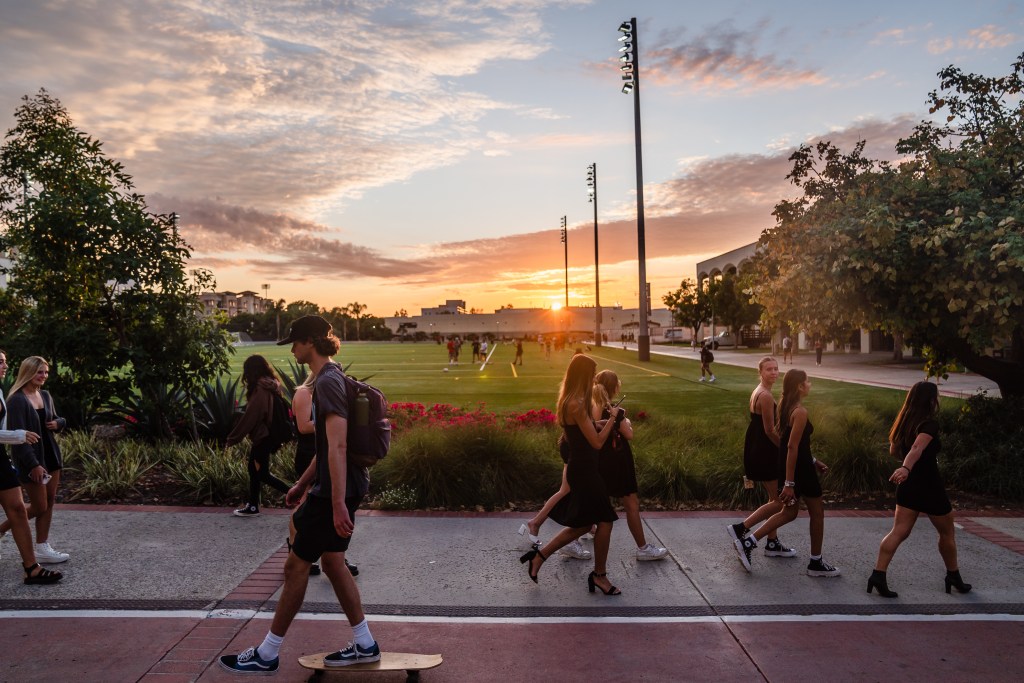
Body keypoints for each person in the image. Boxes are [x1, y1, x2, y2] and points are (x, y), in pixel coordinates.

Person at [221, 315, 380, 674]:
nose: (292, 350)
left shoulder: (326, 382)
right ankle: (366, 644)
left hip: (335, 491)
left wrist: (336, 501)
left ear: (310, 341)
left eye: (294, 342)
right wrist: (302, 483)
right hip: (339, 485)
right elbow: (325, 448)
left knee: (295, 566)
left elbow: (337, 446)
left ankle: (267, 653)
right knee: (333, 563)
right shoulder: (329, 376)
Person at [519, 354, 623, 596]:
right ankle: (599, 576)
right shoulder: (576, 403)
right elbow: (596, 443)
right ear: (583, 376)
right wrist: (613, 420)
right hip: (584, 470)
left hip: (583, 468)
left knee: (584, 524)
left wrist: (601, 422)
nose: (594, 380)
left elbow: (583, 431)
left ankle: (539, 557)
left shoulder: (571, 400)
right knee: (606, 520)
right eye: (592, 375)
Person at [730, 369, 839, 577]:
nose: (810, 384)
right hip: (800, 472)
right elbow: (791, 447)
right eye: (808, 381)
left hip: (795, 467)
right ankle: (816, 563)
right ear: (799, 386)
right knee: (817, 513)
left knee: (789, 512)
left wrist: (814, 460)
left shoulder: (784, 405)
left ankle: (748, 542)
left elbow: (794, 444)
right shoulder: (800, 412)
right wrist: (789, 483)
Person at [868, 382, 971, 598]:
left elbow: (894, 450)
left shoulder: (903, 422)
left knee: (899, 531)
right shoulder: (929, 424)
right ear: (931, 400)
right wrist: (907, 467)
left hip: (909, 486)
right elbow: (917, 448)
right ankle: (953, 576)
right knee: (946, 532)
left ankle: (878, 574)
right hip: (929, 485)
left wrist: (906, 467)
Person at [1, 356, 69, 564]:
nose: (43, 376)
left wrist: (59, 423)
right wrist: (33, 465)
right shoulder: (17, 400)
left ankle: (42, 546)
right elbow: (18, 438)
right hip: (32, 459)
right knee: (39, 505)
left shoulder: (45, 395)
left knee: (50, 502)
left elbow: (56, 418)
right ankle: (2, 529)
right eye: (39, 372)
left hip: (51, 455)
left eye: (46, 372)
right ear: (28, 372)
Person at [726, 357, 796, 559]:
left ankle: (772, 543)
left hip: (758, 447)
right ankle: (741, 528)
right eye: (769, 370)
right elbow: (769, 430)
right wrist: (785, 449)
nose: (774, 373)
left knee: (773, 497)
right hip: (764, 451)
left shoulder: (760, 390)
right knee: (780, 502)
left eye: (776, 369)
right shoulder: (764, 395)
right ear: (761, 372)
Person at [593, 370, 667, 561]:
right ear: (614, 387)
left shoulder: (592, 405)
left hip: (600, 459)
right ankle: (642, 548)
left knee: (596, 503)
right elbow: (629, 434)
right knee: (631, 504)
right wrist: (625, 421)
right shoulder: (614, 410)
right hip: (618, 461)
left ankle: (574, 540)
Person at [226, 355, 292, 517]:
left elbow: (252, 415)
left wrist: (232, 438)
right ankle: (253, 506)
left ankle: (296, 494)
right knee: (255, 471)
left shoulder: (260, 389)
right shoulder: (271, 384)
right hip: (270, 435)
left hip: (264, 436)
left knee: (261, 473)